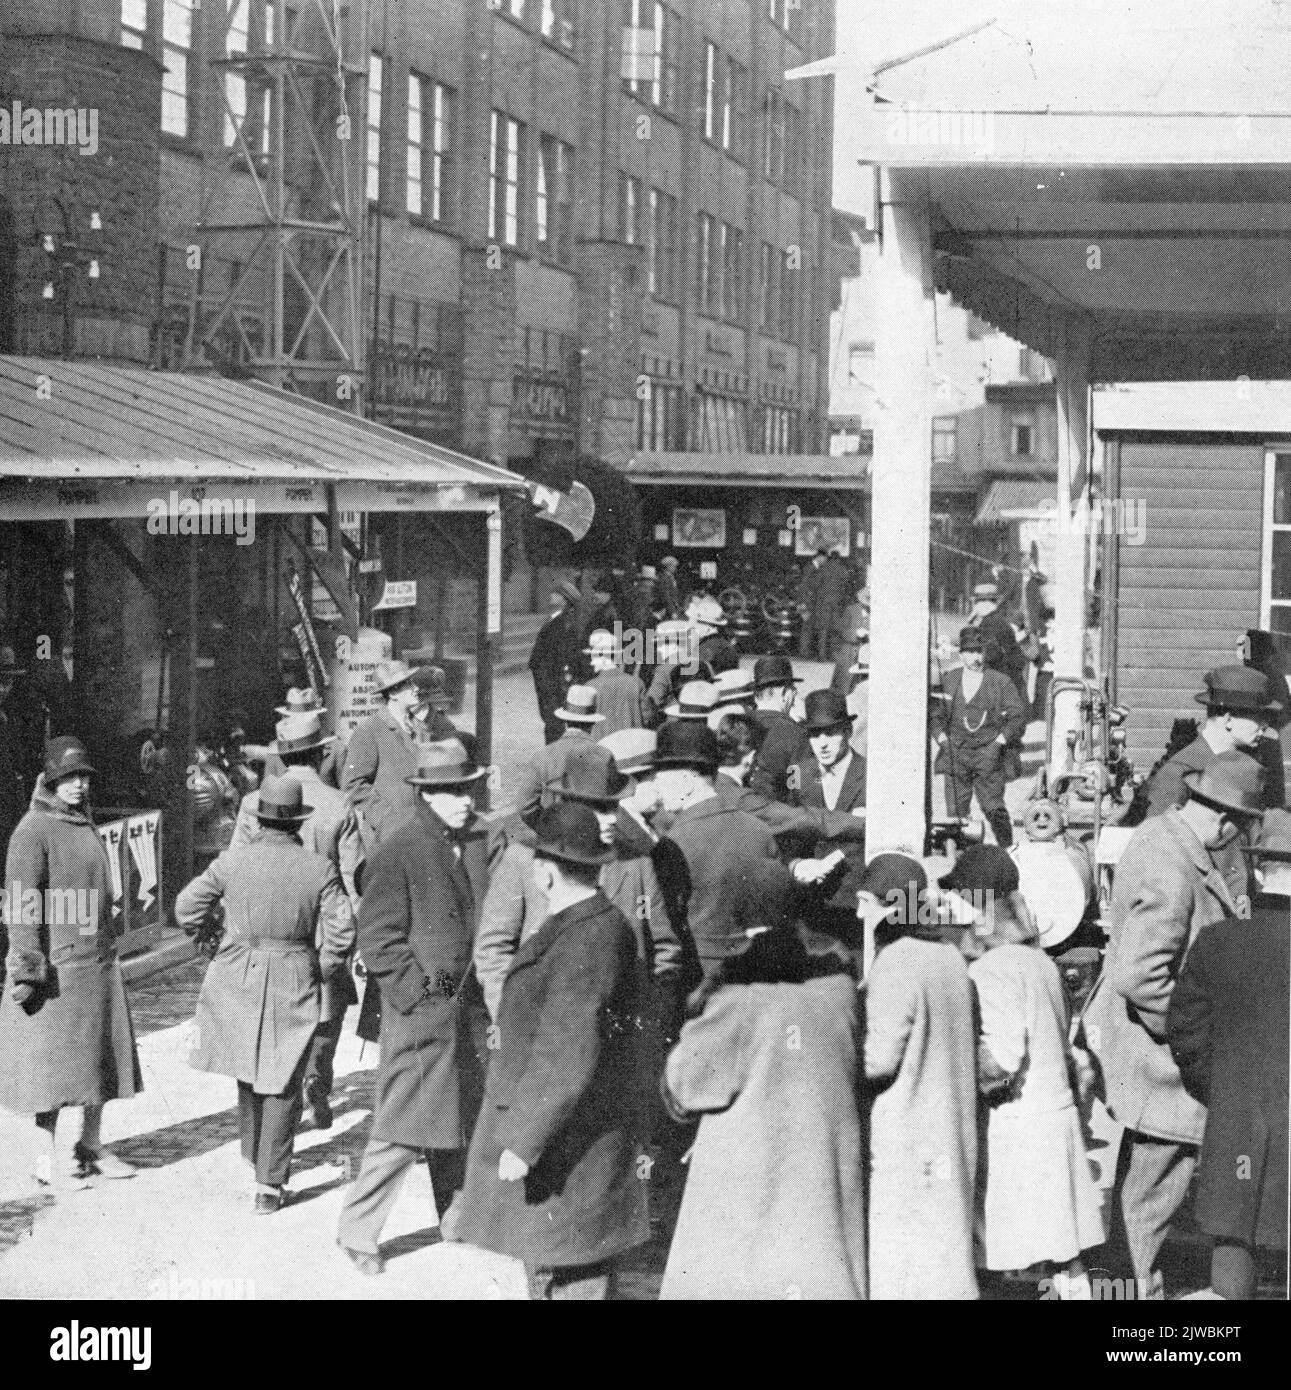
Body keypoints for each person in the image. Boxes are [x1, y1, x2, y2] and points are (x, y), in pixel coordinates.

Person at [1085, 749, 1263, 1300]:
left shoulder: (1180, 845)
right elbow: (1141, 975)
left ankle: (1137, 1298)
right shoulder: (1167, 853)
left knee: (1147, 1206)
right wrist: (1199, 1041)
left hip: (1170, 1066)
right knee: (1146, 1207)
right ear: (1226, 817)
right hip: (1163, 1068)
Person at [454, 802, 649, 1299]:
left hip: (568, 1140)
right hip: (564, 1136)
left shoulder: (588, 937)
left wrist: (522, 1139)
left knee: (571, 1270)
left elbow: (567, 1049)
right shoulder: (588, 925)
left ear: (544, 873)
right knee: (548, 1261)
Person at [336, 741, 489, 1274]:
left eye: (468, 790)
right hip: (420, 1013)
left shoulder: (465, 843)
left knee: (456, 1114)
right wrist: (421, 996)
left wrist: (452, 994)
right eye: (453, 793)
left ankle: (457, 1218)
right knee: (403, 1126)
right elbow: (378, 941)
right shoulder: (400, 851)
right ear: (429, 796)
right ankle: (357, 1231)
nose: (465, 801)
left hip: (458, 1005)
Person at [660, 919, 867, 1299]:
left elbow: (684, 1087)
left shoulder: (741, 1006)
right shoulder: (840, 1002)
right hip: (821, 1181)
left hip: (751, 1185)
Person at [176, 775, 353, 1212]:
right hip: (294, 968)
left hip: (238, 970)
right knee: (285, 1075)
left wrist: (211, 943)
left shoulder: (231, 861)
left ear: (259, 819)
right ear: (297, 823)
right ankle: (270, 1186)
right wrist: (324, 966)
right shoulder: (318, 868)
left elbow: (186, 907)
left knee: (249, 1065)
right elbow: (343, 930)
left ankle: (253, 1155)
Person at [942, 847, 1103, 1299]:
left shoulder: (993, 969)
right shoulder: (1039, 961)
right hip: (1055, 1120)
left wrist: (955, 1062)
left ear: (977, 905)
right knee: (1064, 1254)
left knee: (1001, 1257)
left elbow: (1001, 1064)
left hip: (1019, 1131)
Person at [0, 736, 143, 1186]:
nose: (79, 785)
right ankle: (49, 1159)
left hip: (96, 963)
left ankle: (91, 1145)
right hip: (57, 970)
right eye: (69, 778)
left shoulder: (81, 822)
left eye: (84, 777)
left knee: (99, 1063)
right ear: (50, 779)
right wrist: (27, 969)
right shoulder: (32, 830)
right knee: (53, 1071)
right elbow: (21, 905)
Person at [1167, 808, 1291, 1301]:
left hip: (1237, 1121)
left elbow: (1186, 1030)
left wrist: (1219, 1090)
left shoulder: (1219, 942)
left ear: (1260, 872)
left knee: (1234, 1238)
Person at [474, 743, 683, 1024]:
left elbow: (664, 949)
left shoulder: (636, 862)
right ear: (572, 807)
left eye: (614, 807)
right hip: (545, 1029)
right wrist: (512, 1018)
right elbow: (493, 949)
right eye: (600, 809)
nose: (611, 819)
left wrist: (651, 1020)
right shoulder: (523, 861)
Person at [231, 712, 362, 1129]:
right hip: (323, 927)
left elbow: (237, 868)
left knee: (272, 1011)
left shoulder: (253, 804)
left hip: (268, 927)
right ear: (321, 754)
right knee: (328, 1005)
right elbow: (354, 877)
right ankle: (316, 1080)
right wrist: (353, 934)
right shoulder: (338, 804)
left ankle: (280, 1088)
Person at [860, 852, 979, 1299]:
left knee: (903, 1258)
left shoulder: (895, 961)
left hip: (906, 1128)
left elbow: (879, 1060)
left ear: (891, 906)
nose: (858, 913)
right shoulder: (950, 957)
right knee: (943, 1250)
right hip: (950, 1126)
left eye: (866, 901)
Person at [1141, 665, 1281, 903]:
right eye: (1258, 717)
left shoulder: (1243, 768)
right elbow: (1156, 854)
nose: (1264, 727)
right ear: (1228, 719)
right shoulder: (1180, 772)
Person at [930, 625, 1027, 848]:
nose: (975, 657)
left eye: (979, 651)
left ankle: (1007, 851)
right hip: (956, 753)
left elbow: (1017, 716)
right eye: (970, 652)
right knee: (955, 814)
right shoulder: (950, 680)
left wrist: (999, 742)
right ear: (961, 654)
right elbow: (935, 715)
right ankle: (959, 860)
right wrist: (942, 740)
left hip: (988, 754)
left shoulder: (1000, 682)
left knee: (993, 808)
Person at [783, 690, 867, 939]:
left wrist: (832, 861)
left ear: (848, 732)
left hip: (852, 900)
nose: (822, 743)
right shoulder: (796, 773)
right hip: (807, 902)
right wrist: (795, 865)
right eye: (814, 734)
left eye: (830, 733)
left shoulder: (871, 774)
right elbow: (787, 828)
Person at [341, 659, 428, 849]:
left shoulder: (421, 728)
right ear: (393, 692)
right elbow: (353, 784)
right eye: (408, 684)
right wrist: (386, 818)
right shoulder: (369, 730)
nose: (415, 688)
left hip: (424, 831)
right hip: (389, 839)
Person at [512, 684, 605, 823]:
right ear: (592, 723)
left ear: (565, 721)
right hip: (590, 835)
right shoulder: (602, 756)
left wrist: (545, 828)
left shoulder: (542, 756)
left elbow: (523, 805)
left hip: (553, 837)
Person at [528, 580, 586, 744]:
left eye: (556, 593)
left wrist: (547, 677)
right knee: (552, 719)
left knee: (553, 721)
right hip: (548, 677)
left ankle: (554, 754)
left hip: (552, 680)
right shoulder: (558, 619)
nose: (551, 595)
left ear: (564, 599)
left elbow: (561, 655)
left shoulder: (564, 623)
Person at [747, 653, 808, 801]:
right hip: (776, 815)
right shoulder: (796, 733)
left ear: (756, 696)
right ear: (785, 693)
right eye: (793, 691)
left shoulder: (738, 724)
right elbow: (797, 789)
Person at [263, 687, 341, 786]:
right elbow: (269, 790)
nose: (297, 721)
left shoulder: (337, 748)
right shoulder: (276, 748)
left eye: (306, 716)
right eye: (291, 716)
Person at [967, 581, 1028, 703]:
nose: (974, 607)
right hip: (1013, 683)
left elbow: (990, 657)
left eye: (976, 602)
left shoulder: (989, 624)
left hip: (1001, 687)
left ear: (983, 604)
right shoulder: (1000, 621)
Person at [583, 630, 647, 738]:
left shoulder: (590, 687)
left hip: (602, 749)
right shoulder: (636, 683)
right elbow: (647, 716)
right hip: (633, 747)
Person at [810, 550, 851, 664]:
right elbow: (846, 585)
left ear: (830, 558)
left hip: (824, 603)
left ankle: (821, 656)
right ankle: (833, 656)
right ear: (838, 559)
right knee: (835, 630)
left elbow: (816, 584)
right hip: (837, 604)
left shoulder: (823, 568)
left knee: (823, 630)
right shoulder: (843, 569)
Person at [830, 581, 870, 696]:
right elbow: (842, 631)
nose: (867, 607)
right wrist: (856, 633)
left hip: (866, 653)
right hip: (848, 651)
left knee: (860, 687)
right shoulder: (851, 610)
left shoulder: (876, 613)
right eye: (865, 603)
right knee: (842, 686)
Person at [795, 552, 826, 659]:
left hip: (810, 603)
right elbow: (803, 586)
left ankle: (805, 652)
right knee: (807, 627)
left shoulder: (814, 567)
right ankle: (804, 653)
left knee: (808, 627)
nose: (825, 561)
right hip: (806, 603)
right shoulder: (810, 568)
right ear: (820, 557)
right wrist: (802, 604)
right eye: (824, 558)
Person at [657, 556, 682, 620]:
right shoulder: (665, 578)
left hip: (671, 608)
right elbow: (666, 596)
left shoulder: (670, 577)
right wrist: (672, 612)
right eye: (674, 566)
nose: (675, 568)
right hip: (666, 610)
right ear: (668, 566)